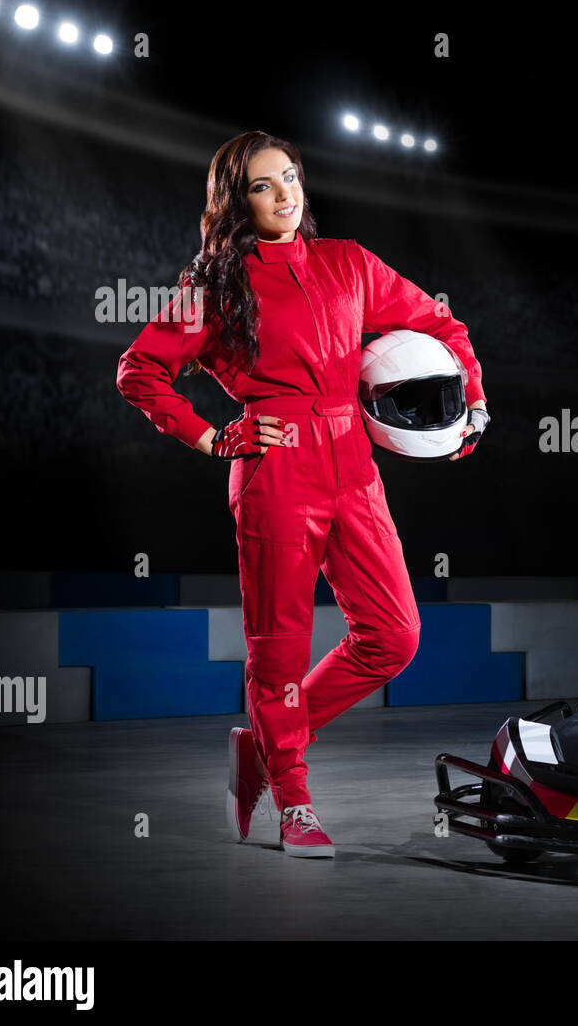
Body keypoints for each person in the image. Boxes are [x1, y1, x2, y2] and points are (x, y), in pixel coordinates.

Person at [116, 130, 488, 858]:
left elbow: (441, 323)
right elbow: (139, 371)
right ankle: (294, 800)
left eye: (290, 176)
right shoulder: (216, 288)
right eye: (264, 185)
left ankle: (261, 744)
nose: (285, 193)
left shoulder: (348, 262)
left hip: (354, 465)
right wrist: (212, 437)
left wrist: (471, 399)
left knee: (395, 635)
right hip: (275, 471)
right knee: (278, 649)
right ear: (237, 201)